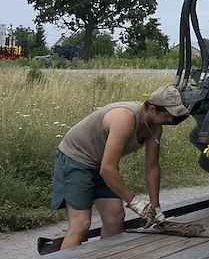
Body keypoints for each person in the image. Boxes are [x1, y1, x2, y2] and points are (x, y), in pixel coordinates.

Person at [51, 85, 189, 249]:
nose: (171, 120)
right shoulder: (124, 117)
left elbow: (152, 166)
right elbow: (108, 169)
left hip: (99, 162)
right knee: (80, 224)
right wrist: (134, 202)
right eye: (169, 115)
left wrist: (155, 207)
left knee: (114, 217)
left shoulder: (155, 127)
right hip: (76, 159)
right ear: (152, 109)